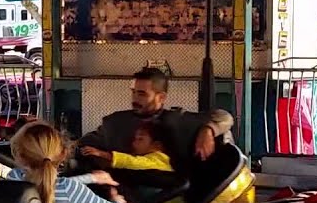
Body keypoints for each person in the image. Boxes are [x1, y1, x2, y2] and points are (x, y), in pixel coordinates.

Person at [78, 67, 233, 171]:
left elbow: (225, 117)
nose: (135, 98)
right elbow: (85, 144)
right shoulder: (115, 122)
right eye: (134, 92)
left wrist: (208, 130)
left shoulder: (177, 120)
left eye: (142, 94)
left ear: (161, 97)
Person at [7, 121, 128, 203]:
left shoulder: (13, 178)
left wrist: (92, 178)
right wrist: (118, 200)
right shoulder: (70, 188)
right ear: (62, 155)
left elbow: (45, 183)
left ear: (19, 155)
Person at [79, 120, 173, 173]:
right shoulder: (147, 159)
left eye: (140, 139)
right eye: (135, 139)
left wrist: (103, 154)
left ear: (157, 145)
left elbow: (134, 162)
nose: (134, 143)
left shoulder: (161, 159)